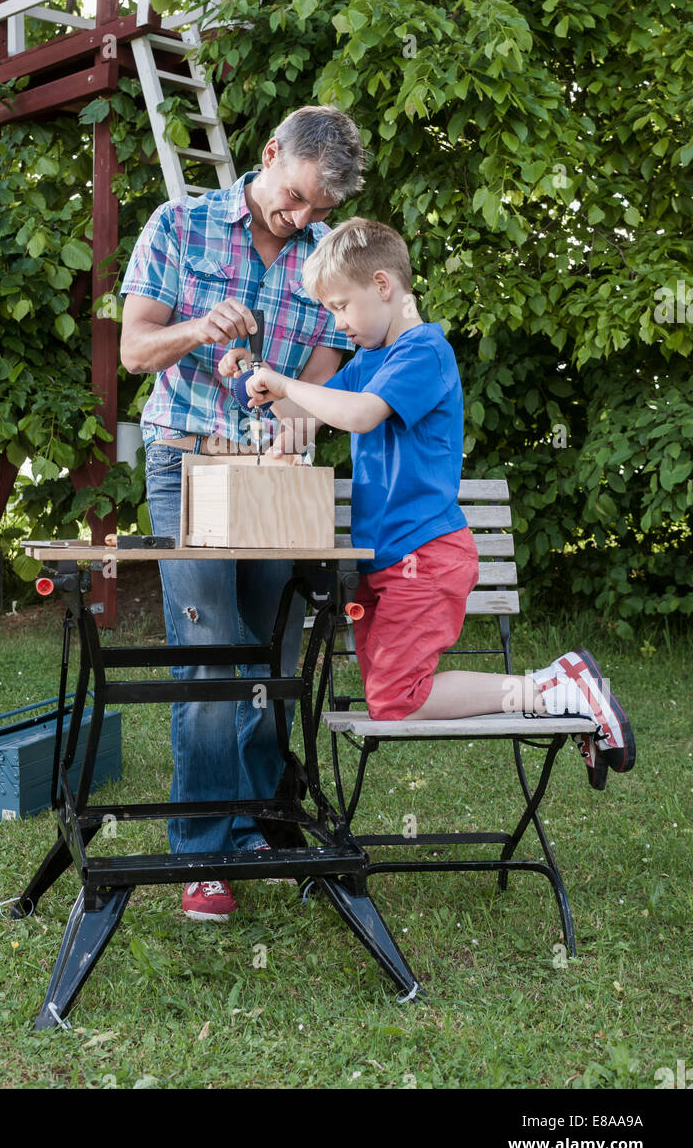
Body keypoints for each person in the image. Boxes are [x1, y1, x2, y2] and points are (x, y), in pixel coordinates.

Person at [237, 216, 636, 791]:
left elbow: (360, 414)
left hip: (424, 556)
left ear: (383, 285)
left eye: (341, 306)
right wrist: (259, 384)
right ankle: (559, 695)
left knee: (397, 701)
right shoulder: (370, 360)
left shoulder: (424, 352)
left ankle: (550, 687)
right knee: (387, 698)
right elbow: (305, 418)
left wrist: (287, 382)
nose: (338, 322)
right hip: (386, 563)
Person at [119, 106, 368, 920]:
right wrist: (195, 327)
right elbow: (133, 349)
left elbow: (333, 359)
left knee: (269, 655)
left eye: (315, 213)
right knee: (210, 653)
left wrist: (305, 409)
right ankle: (200, 849)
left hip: (271, 474)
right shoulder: (180, 226)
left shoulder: (321, 258)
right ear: (269, 157)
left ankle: (256, 822)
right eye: (294, 198)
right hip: (186, 463)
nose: (299, 219)